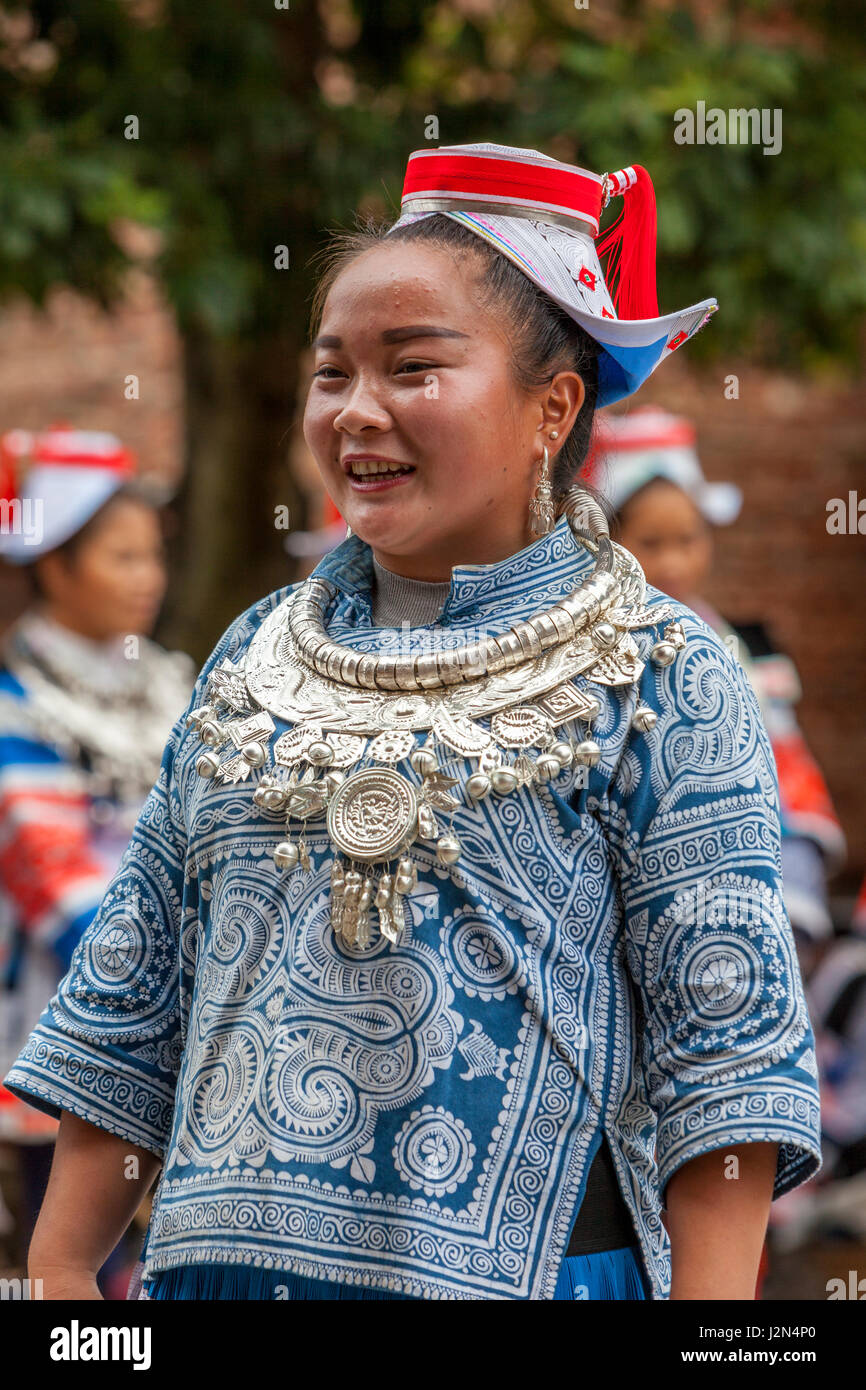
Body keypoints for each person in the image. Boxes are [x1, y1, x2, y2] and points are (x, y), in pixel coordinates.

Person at [5, 144, 821, 1302]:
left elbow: (724, 1051)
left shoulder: (662, 674)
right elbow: (139, 988)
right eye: (331, 372)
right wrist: (58, 1274)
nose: (356, 411)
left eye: (413, 366)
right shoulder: (252, 656)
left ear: (552, 405)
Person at [0, 427, 194, 1284]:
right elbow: (60, 889)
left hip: (181, 1018)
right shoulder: (16, 706)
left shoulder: (176, 682)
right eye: (122, 557)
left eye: (152, 555)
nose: (147, 578)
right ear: (53, 565)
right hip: (69, 1039)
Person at [587, 405, 846, 968]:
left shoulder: (741, 647)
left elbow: (787, 766)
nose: (675, 561)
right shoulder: (592, 652)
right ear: (607, 540)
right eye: (652, 543)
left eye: (689, 539)